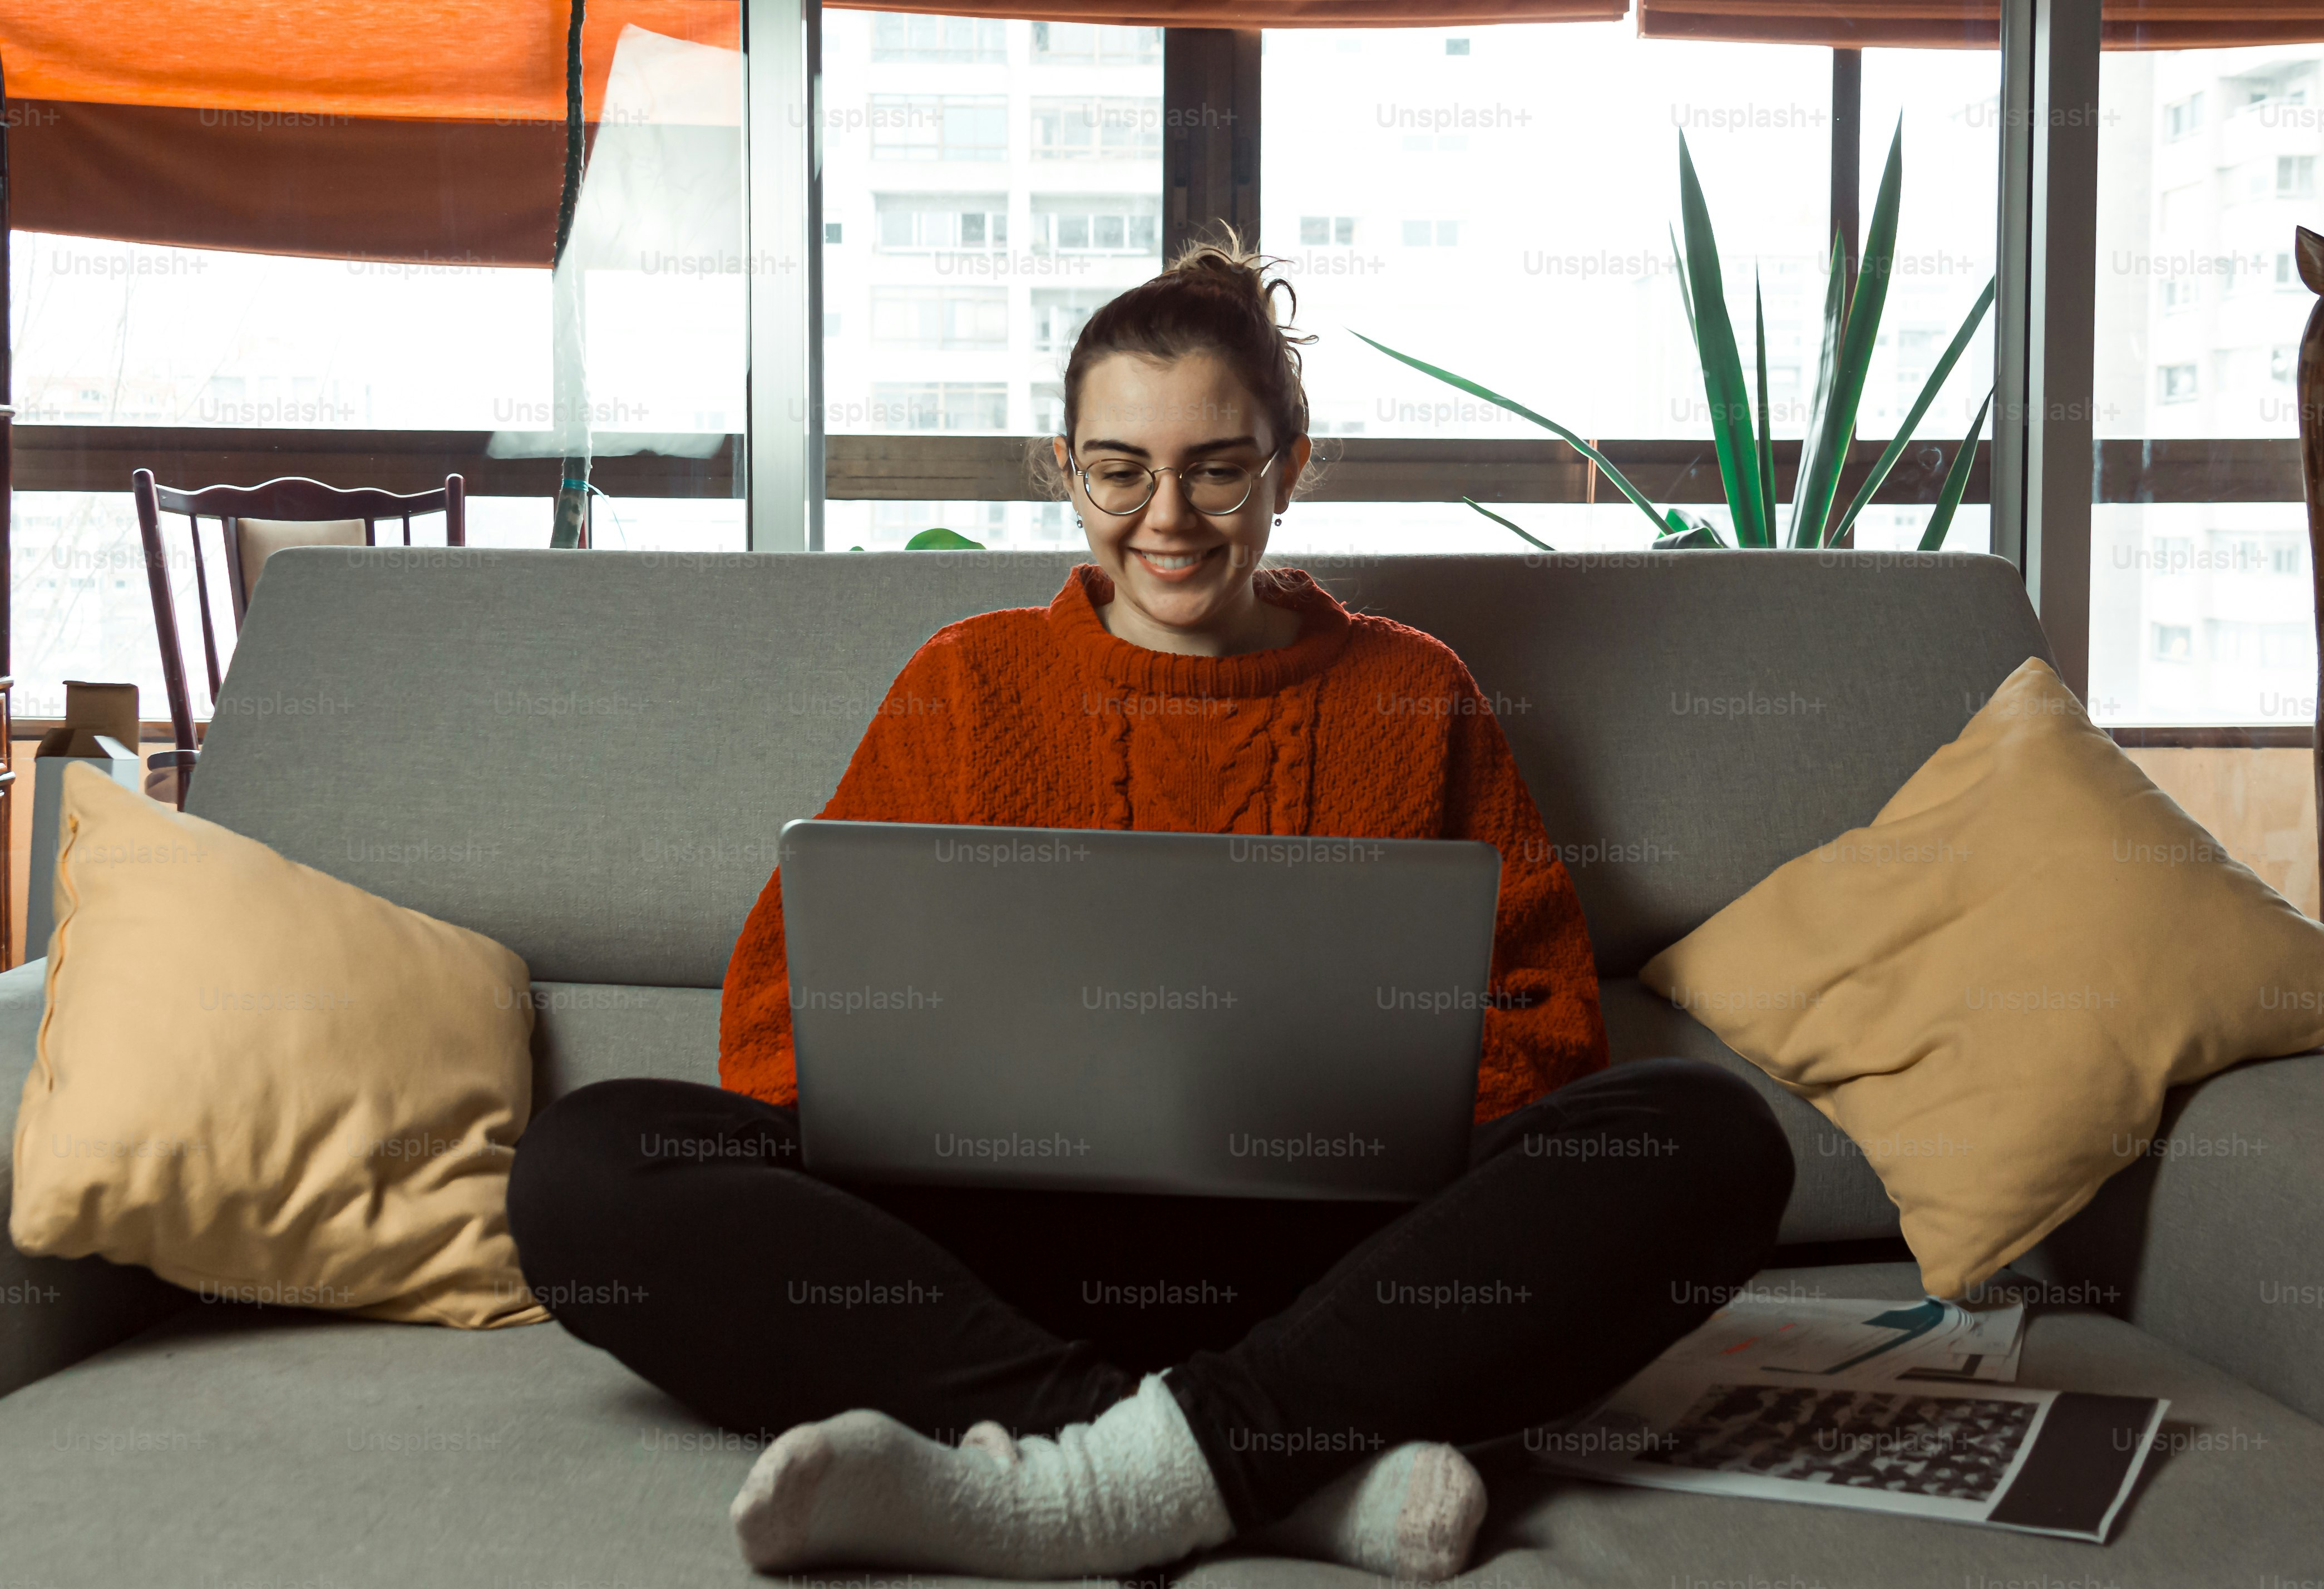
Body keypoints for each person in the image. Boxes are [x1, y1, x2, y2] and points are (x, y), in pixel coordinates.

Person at [507, 236, 1794, 1581]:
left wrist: (1353, 1109)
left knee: (1705, 1137)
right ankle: (1257, 1469)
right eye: (1119, 469)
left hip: (1330, 1263)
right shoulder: (968, 681)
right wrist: (930, 1111)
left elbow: (1546, 1023)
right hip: (997, 1260)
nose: (1165, 516)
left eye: (1216, 467)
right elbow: (782, 1014)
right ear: (1065, 472)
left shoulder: (1415, 688)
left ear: (1288, 467)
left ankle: (1094, 1468)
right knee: (585, 1167)